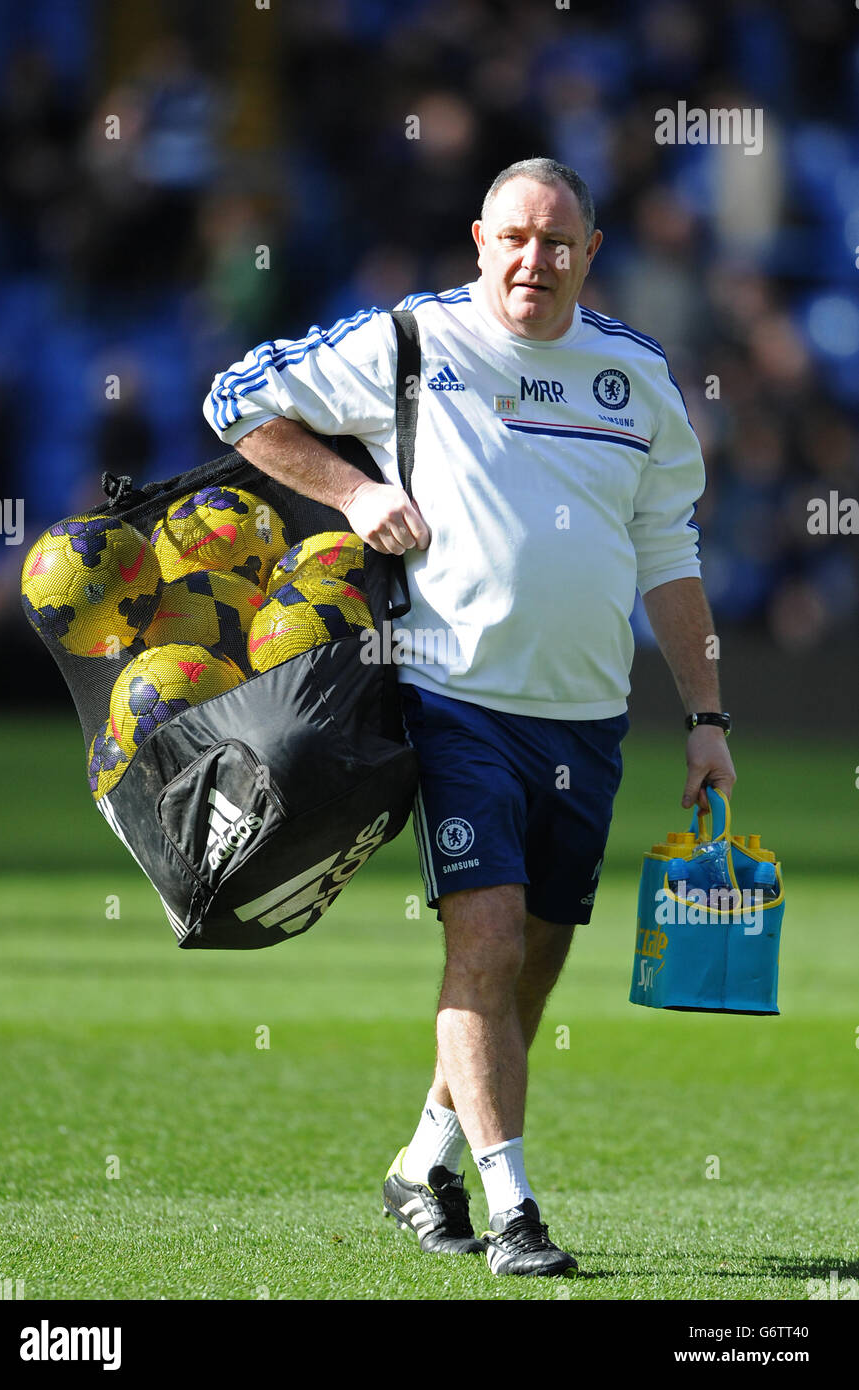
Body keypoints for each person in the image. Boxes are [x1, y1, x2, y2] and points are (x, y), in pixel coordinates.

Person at [204, 157, 736, 1279]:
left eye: (557, 242)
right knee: (483, 944)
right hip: (451, 702)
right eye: (513, 238)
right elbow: (236, 398)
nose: (532, 260)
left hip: (587, 721)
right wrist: (354, 492)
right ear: (479, 242)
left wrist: (707, 714)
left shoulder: (635, 377)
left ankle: (422, 1161)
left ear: (590, 252)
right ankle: (514, 1211)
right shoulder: (408, 341)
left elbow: (668, 551)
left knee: (527, 966)